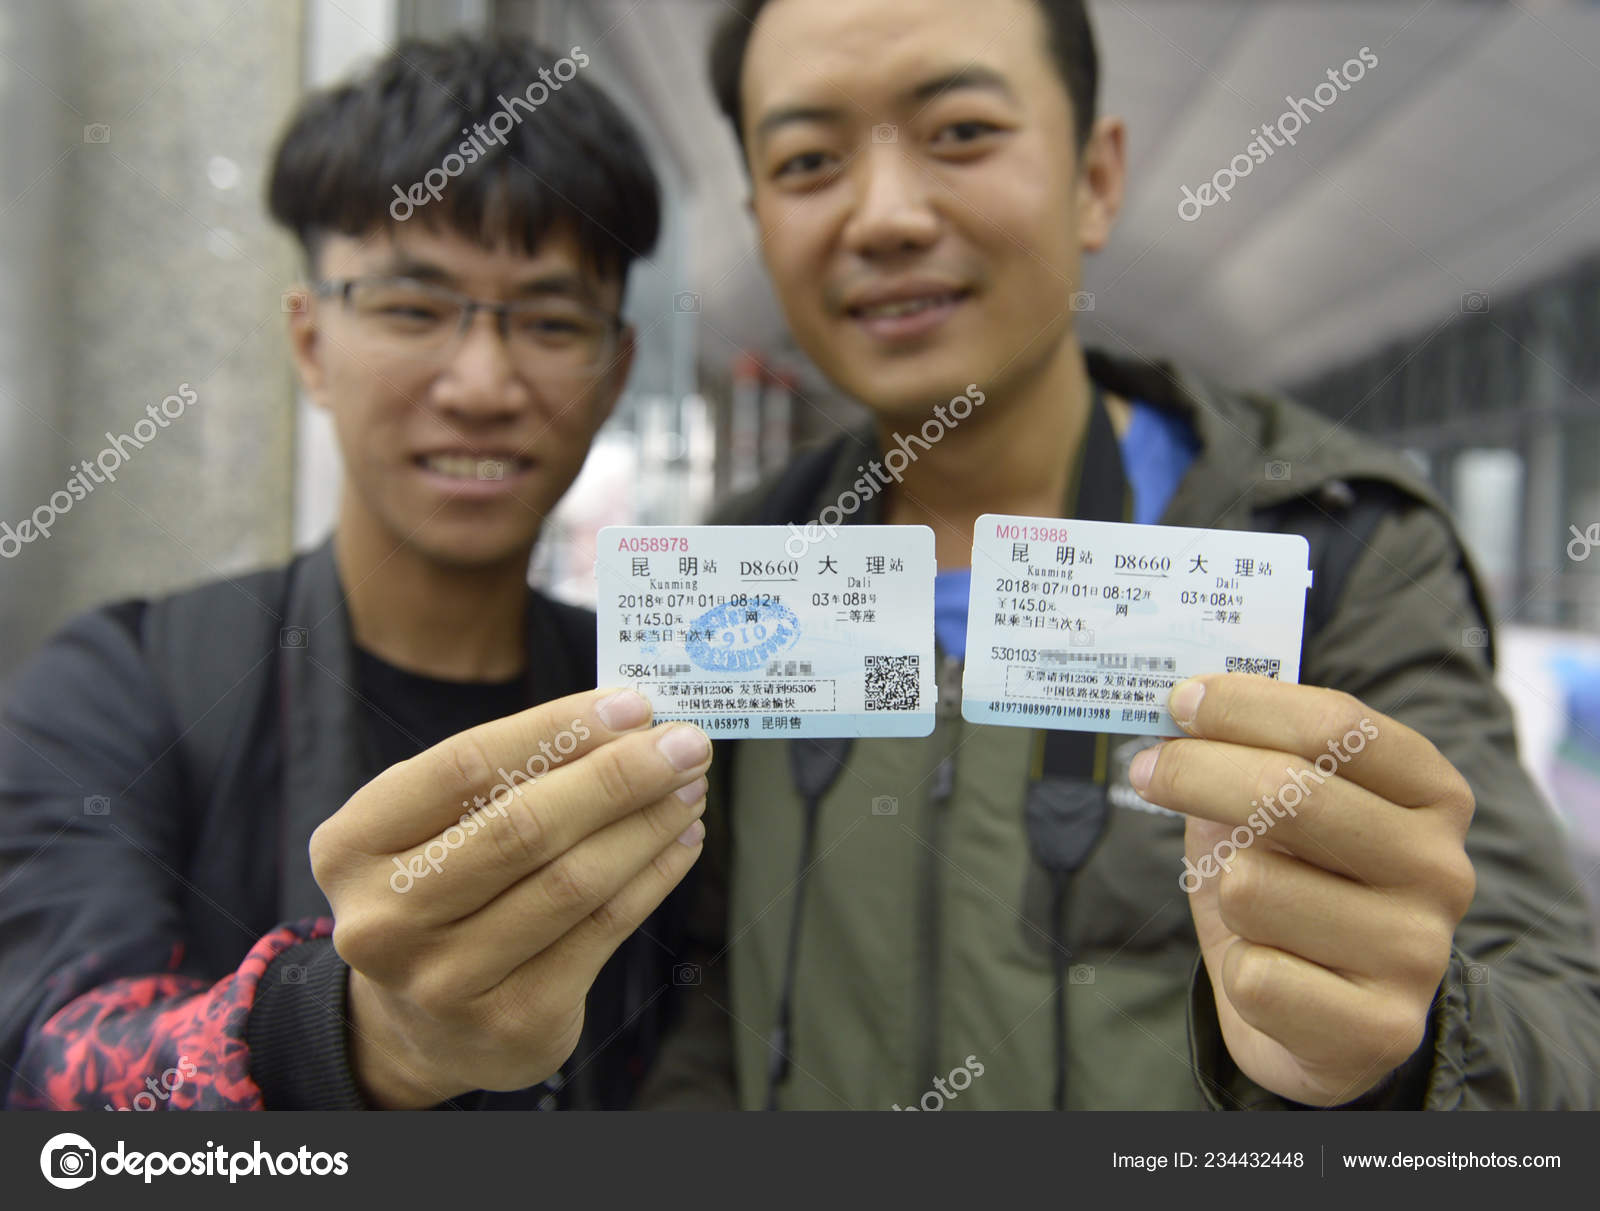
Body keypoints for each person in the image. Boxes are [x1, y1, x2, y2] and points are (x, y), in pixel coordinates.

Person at [641, 0, 1600, 1109]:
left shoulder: (1328, 547)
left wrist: (1402, 1050)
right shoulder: (737, 570)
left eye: (959, 133)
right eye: (808, 161)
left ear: (1095, 179)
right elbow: (706, 988)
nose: (887, 215)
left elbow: (1562, 1031)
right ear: (759, 215)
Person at [0, 35, 712, 1111]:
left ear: (615, 368)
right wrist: (353, 1032)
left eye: (552, 321)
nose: (481, 382)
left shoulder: (662, 713)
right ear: (310, 343)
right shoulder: (121, 686)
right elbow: (45, 1052)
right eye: (413, 308)